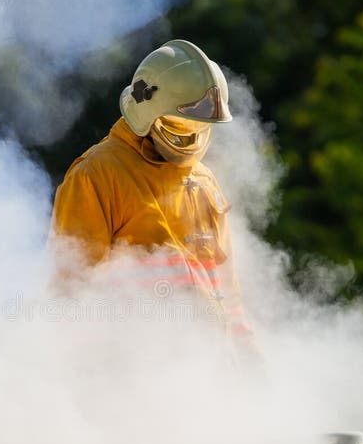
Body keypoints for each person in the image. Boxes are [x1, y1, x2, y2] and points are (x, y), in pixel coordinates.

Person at [50, 39, 254, 351]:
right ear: (148, 111)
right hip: (133, 374)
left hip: (205, 375)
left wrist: (249, 360)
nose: (192, 137)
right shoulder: (96, 175)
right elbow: (74, 293)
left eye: (199, 127)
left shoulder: (203, 180)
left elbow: (226, 290)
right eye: (182, 125)